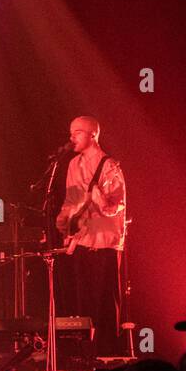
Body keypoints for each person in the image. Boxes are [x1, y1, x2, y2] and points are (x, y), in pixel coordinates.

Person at [55, 116, 126, 357]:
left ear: (92, 134)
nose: (71, 137)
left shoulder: (109, 166)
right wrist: (64, 220)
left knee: (106, 303)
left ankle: (107, 355)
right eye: (71, 132)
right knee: (82, 304)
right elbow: (71, 200)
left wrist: (101, 200)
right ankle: (83, 354)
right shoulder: (73, 164)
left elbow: (117, 205)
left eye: (77, 132)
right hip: (81, 242)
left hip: (104, 243)